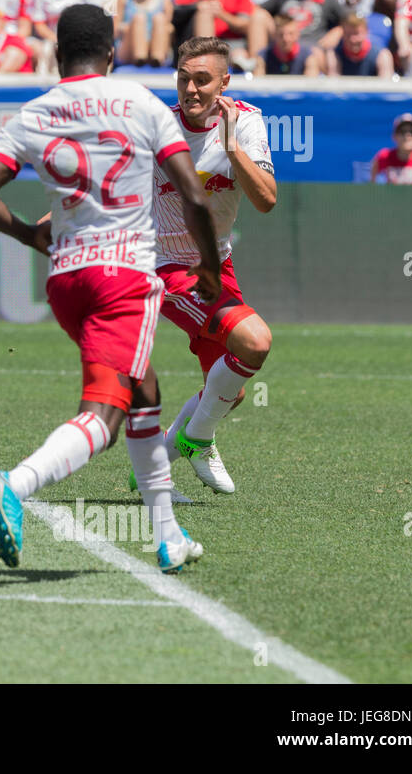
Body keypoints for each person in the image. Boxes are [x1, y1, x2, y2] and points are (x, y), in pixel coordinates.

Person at [0, 3, 220, 573]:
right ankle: (17, 483)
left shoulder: (33, 113)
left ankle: (168, 535)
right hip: (123, 275)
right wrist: (207, 268)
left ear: (57, 56)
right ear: (112, 53)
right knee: (106, 413)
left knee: (145, 392)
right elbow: (195, 197)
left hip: (66, 280)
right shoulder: (141, 103)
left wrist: (32, 237)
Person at [123, 35, 276, 495]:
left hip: (216, 265)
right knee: (255, 341)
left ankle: (158, 463)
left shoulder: (246, 123)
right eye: (183, 79)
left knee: (230, 388)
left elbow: (267, 200)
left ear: (223, 82)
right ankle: (198, 438)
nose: (190, 90)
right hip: (164, 267)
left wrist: (231, 148)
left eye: (202, 80)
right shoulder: (156, 128)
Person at [370, 113, 412, 184]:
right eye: (402, 131)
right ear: (394, 136)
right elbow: (372, 185)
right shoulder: (384, 156)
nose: (407, 136)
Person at [327, 11, 395, 75]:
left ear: (366, 32)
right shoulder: (335, 55)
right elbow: (333, 84)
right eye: (348, 34)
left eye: (356, 34)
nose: (353, 40)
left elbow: (386, 85)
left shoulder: (382, 55)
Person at [258, 12, 324, 75]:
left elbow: (310, 83)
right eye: (281, 35)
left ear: (297, 34)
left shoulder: (309, 56)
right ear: (275, 35)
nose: (286, 39)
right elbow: (257, 82)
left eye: (291, 34)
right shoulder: (263, 56)